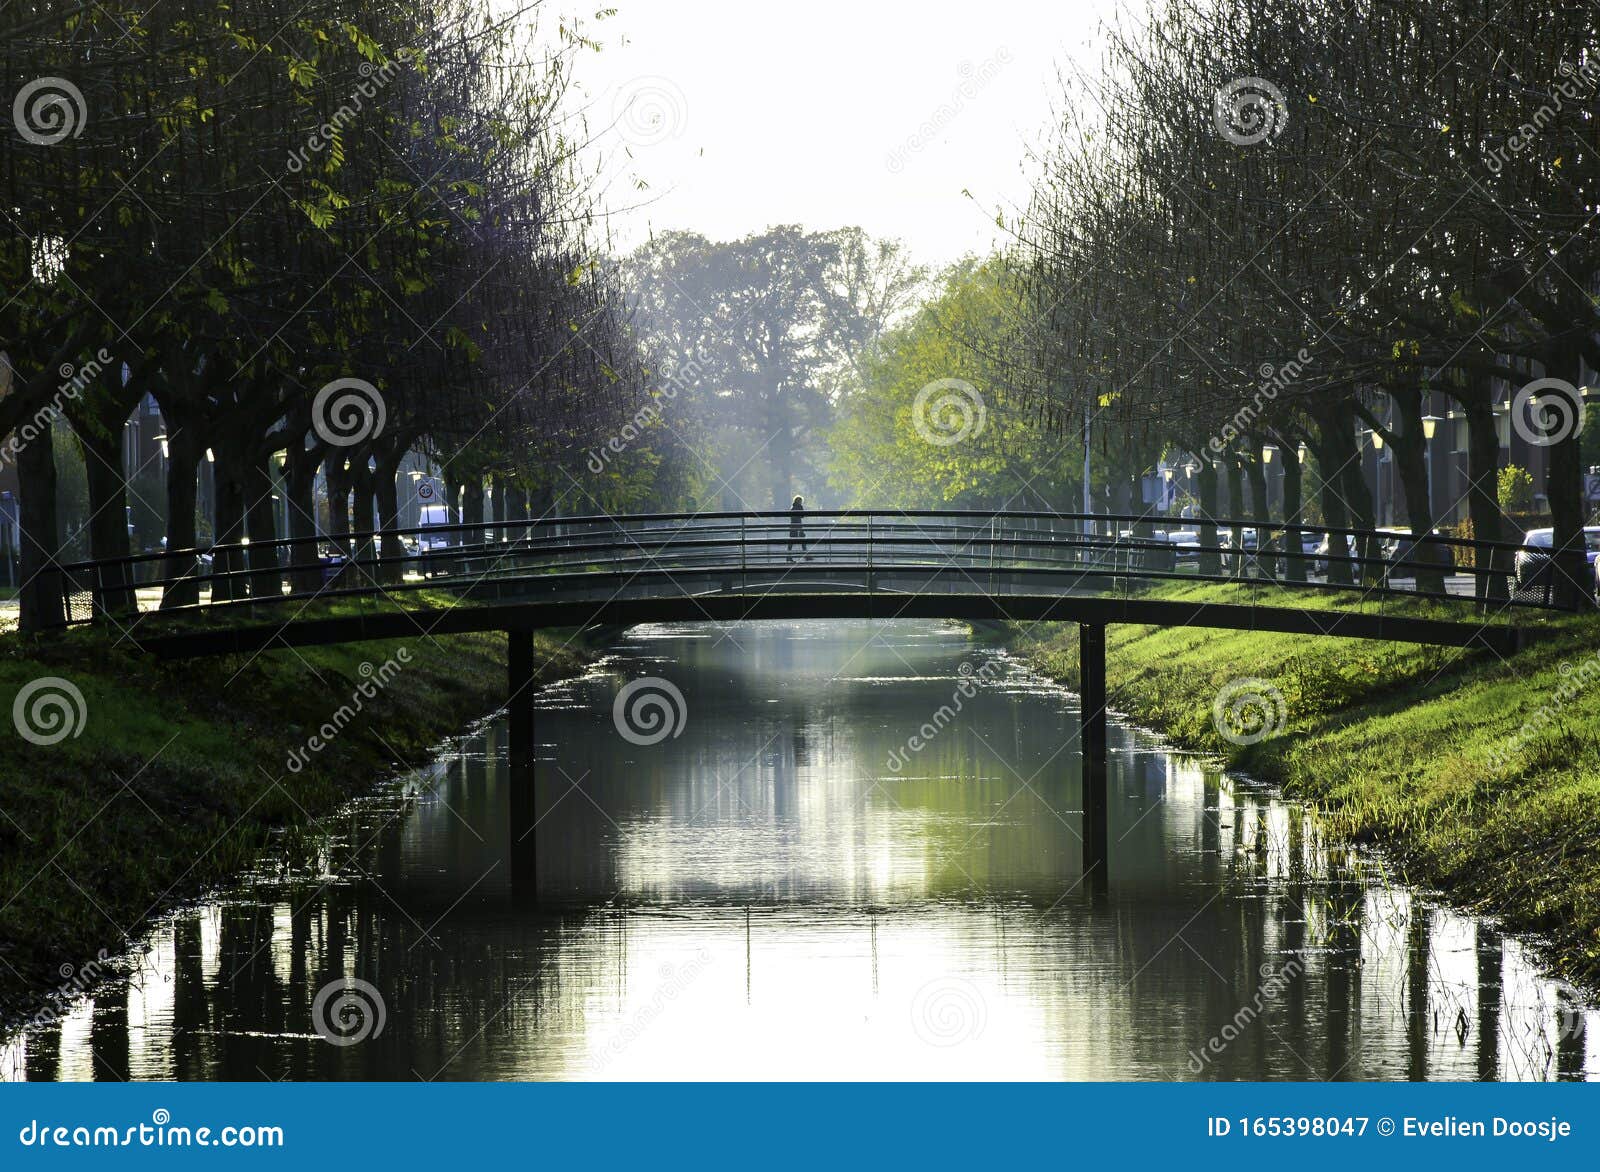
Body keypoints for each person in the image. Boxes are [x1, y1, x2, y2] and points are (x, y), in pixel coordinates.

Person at [788, 495, 809, 561]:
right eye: (800, 501)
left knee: (791, 542)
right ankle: (806, 555)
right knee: (802, 540)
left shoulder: (792, 507)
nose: (801, 502)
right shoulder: (799, 507)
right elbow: (802, 515)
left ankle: (788, 556)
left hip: (793, 526)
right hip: (798, 525)